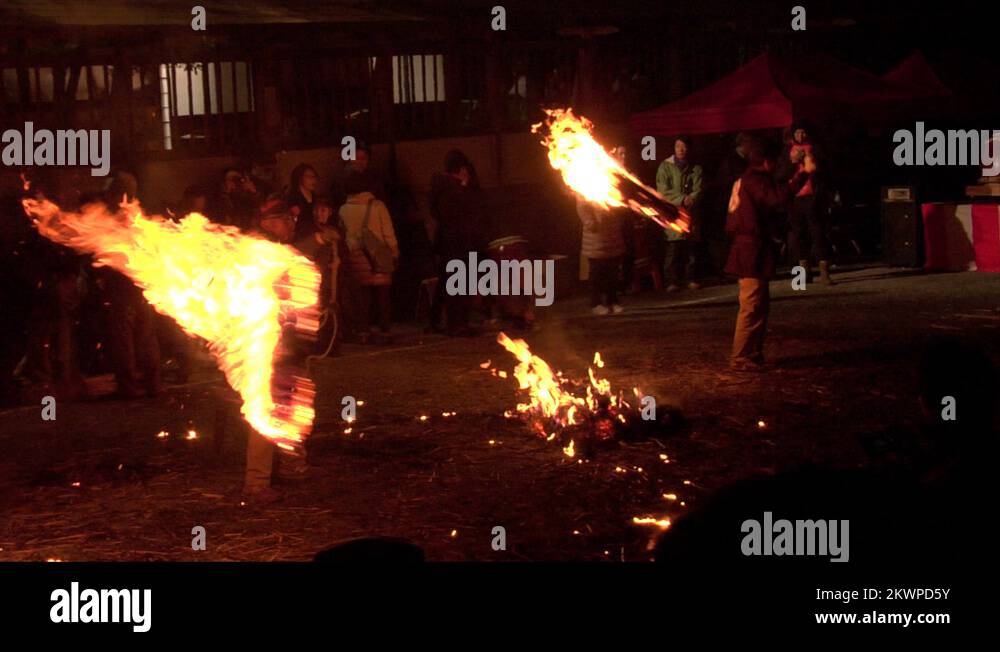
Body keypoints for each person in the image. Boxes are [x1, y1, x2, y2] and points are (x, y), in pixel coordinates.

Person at [725, 143, 811, 370]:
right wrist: (801, 175)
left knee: (760, 303)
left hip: (753, 245)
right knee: (751, 304)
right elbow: (776, 199)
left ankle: (753, 352)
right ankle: (740, 356)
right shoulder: (754, 180)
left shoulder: (747, 178)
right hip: (749, 247)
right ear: (766, 162)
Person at [428, 149, 486, 335]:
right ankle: (458, 323)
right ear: (461, 169)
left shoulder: (441, 189)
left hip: (447, 242)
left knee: (448, 281)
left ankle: (438, 320)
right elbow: (468, 215)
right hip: (460, 243)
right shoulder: (457, 192)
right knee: (460, 284)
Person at [339, 171, 399, 344]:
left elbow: (343, 232)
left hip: (357, 255)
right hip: (378, 254)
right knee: (383, 296)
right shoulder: (377, 205)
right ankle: (385, 331)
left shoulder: (344, 209)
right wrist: (394, 251)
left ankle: (363, 331)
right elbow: (388, 231)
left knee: (362, 297)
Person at [778, 122, 834, 285]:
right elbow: (779, 175)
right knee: (799, 235)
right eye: (797, 133)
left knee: (818, 234)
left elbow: (827, 171)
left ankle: (825, 273)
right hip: (795, 199)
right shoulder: (786, 152)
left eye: (803, 132)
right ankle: (803, 274)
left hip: (814, 198)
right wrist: (793, 162)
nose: (800, 136)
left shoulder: (816, 149)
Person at [656, 136, 704, 291]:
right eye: (678, 146)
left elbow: (699, 188)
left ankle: (691, 278)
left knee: (691, 249)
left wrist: (692, 198)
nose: (681, 150)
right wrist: (682, 199)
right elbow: (663, 191)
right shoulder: (665, 167)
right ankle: (672, 281)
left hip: (691, 214)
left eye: (684, 147)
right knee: (673, 249)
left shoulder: (696, 168)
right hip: (673, 214)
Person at [577, 197, 625, 315]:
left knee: (613, 271)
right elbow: (582, 208)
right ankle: (596, 304)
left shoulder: (610, 182)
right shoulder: (583, 187)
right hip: (596, 238)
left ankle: (613, 301)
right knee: (597, 273)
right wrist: (592, 222)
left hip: (612, 234)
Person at [287, 163, 320, 242]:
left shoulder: (315, 197)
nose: (313, 180)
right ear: (299, 178)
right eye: (308, 177)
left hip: (316, 234)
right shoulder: (293, 198)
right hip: (301, 237)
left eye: (314, 177)